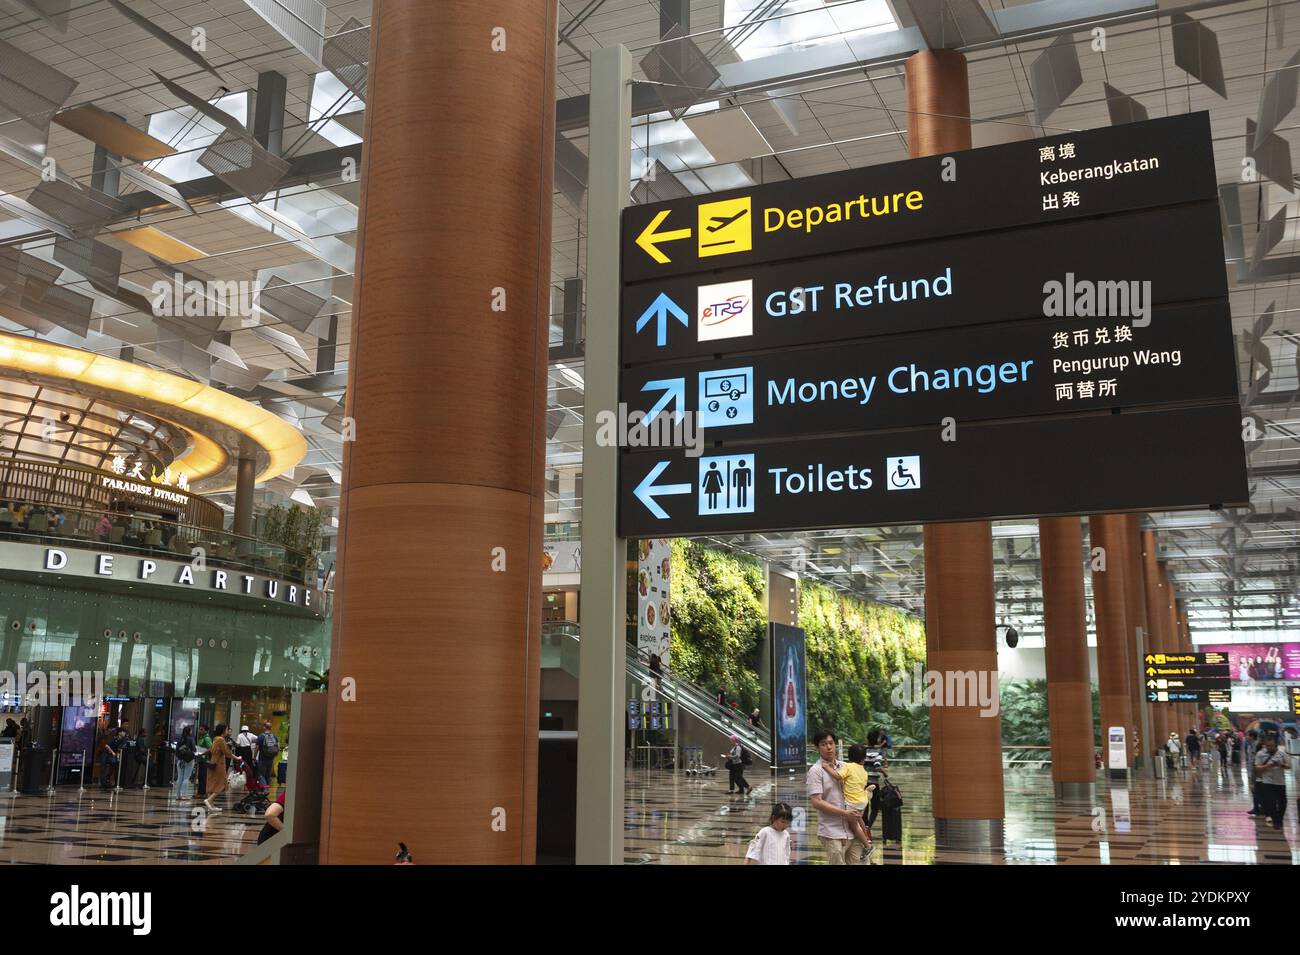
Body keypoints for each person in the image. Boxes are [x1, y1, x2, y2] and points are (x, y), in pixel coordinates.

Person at [806, 729, 865, 864]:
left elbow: (857, 790)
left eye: (831, 743)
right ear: (817, 748)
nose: (828, 747)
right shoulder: (815, 771)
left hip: (853, 830)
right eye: (823, 744)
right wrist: (845, 813)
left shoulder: (846, 767)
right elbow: (816, 802)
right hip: (832, 833)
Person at [820, 743, 876, 858]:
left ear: (849, 757)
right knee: (860, 820)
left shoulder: (848, 767)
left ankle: (867, 846)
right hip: (862, 800)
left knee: (854, 825)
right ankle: (867, 838)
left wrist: (827, 767)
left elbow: (837, 776)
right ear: (863, 758)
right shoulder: (864, 771)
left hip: (853, 803)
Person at [1254, 733, 1290, 829]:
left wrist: (1281, 765)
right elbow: (1257, 768)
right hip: (1267, 782)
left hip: (1280, 782)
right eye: (1267, 746)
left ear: (1276, 745)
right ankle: (1276, 821)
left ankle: (1280, 819)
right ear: (1265, 744)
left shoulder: (1282, 753)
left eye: (1272, 746)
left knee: (1283, 802)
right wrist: (1268, 766)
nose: (1269, 747)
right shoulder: (1260, 754)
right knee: (1271, 803)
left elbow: (1288, 766)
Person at [203, 723, 232, 814]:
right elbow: (227, 753)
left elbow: (212, 750)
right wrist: (237, 758)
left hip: (213, 763)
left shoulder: (215, 739)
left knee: (212, 783)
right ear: (223, 731)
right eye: (227, 729)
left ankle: (211, 806)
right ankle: (209, 800)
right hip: (219, 765)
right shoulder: (221, 739)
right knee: (222, 784)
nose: (228, 731)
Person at [1244, 730, 1263, 816]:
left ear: (1252, 736)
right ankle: (1257, 808)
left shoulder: (1257, 745)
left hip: (1256, 771)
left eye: (1247, 735)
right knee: (1253, 790)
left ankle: (1261, 808)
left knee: (1256, 790)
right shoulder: (1249, 746)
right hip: (1250, 770)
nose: (1246, 737)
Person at [174, 726, 196, 799]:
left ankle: (178, 795)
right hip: (189, 760)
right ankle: (184, 795)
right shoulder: (191, 739)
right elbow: (194, 749)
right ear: (189, 731)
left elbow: (176, 751)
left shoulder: (180, 739)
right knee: (186, 778)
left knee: (179, 777)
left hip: (180, 760)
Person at [256, 721, 279, 787]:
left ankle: (264, 787)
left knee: (261, 774)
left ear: (264, 727)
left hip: (262, 759)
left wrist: (254, 757)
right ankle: (267, 787)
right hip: (271, 759)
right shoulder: (274, 737)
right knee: (267, 775)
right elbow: (277, 747)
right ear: (271, 728)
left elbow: (257, 748)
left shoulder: (261, 736)